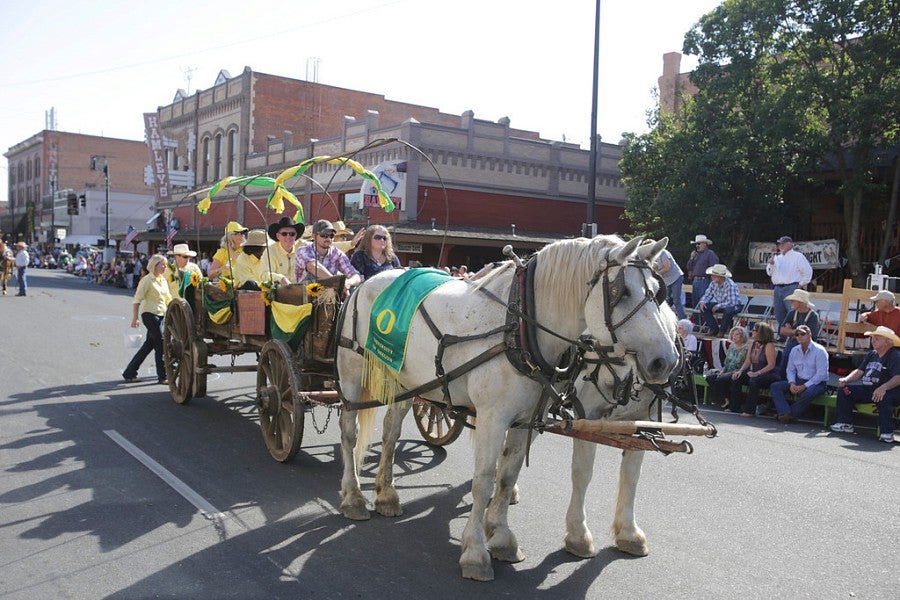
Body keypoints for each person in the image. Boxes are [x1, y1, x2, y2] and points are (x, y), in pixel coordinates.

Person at [830, 326, 900, 443]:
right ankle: (845, 423)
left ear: (888, 341)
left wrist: (883, 387)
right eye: (873, 338)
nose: (873, 341)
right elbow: (859, 371)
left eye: (877, 338)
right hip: (869, 389)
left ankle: (887, 432)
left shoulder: (895, 356)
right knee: (845, 390)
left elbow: (898, 377)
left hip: (890, 390)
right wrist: (846, 379)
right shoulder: (872, 354)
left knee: (883, 397)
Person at [122, 254, 173, 384]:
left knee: (148, 346)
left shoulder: (163, 280)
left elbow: (168, 299)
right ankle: (162, 376)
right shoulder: (146, 280)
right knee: (161, 344)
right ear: (154, 266)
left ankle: (129, 372)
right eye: (163, 264)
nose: (165, 267)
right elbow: (137, 300)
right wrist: (135, 318)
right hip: (150, 315)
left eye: (166, 264)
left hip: (162, 315)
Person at [769, 325, 830, 423]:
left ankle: (789, 414)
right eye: (797, 334)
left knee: (809, 392)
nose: (799, 336)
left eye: (802, 334)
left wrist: (804, 386)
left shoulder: (820, 351)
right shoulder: (794, 350)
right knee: (775, 386)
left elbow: (821, 374)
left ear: (810, 335)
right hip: (798, 380)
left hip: (817, 383)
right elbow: (790, 370)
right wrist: (792, 383)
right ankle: (785, 413)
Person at [766, 235, 813, 338]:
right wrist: (772, 264)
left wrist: (799, 286)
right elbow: (769, 273)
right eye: (780, 244)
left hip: (791, 287)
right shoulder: (777, 258)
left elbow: (808, 272)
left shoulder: (798, 256)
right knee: (779, 313)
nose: (780, 245)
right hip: (778, 288)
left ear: (790, 244)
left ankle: (794, 336)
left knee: (792, 312)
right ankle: (783, 336)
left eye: (783, 243)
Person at [296, 219, 361, 291]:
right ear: (314, 236)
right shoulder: (304, 250)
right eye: (324, 235)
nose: (328, 238)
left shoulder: (337, 253)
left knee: (354, 289)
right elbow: (312, 267)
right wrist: (336, 283)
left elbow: (355, 275)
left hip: (330, 295)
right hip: (304, 296)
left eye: (331, 235)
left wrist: (348, 283)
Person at [731, 322, 780, 417]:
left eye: (754, 330)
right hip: (756, 373)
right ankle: (734, 406)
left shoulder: (769, 345)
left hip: (769, 374)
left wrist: (757, 373)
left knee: (754, 381)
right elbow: (747, 361)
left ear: (760, 332)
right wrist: (740, 371)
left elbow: (771, 365)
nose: (752, 332)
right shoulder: (752, 344)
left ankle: (749, 410)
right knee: (737, 377)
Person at [777, 288, 821, 376]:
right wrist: (796, 331)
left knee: (791, 358)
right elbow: (781, 331)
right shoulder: (792, 313)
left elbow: (809, 335)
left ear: (800, 302)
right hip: (794, 342)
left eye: (793, 300)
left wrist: (790, 331)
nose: (791, 302)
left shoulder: (813, 316)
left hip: (807, 345)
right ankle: (782, 380)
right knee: (785, 357)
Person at [708, 326, 750, 411]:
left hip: (739, 371)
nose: (734, 336)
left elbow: (746, 363)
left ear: (742, 336)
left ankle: (731, 405)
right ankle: (725, 399)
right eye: (733, 334)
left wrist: (737, 371)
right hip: (728, 370)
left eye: (737, 334)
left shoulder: (747, 348)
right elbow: (727, 362)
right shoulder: (731, 346)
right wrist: (722, 371)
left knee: (723, 379)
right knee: (710, 378)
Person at [696, 264, 743, 336]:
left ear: (721, 276)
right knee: (704, 307)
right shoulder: (713, 283)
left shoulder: (730, 285)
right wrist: (703, 301)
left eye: (714, 275)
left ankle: (722, 331)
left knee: (728, 310)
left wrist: (718, 306)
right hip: (721, 304)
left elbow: (732, 302)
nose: (712, 277)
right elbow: (707, 295)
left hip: (734, 305)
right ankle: (714, 329)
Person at [259, 217, 305, 285]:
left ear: (296, 235)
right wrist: (281, 278)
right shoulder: (270, 251)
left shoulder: (303, 247)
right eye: (284, 234)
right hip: (279, 291)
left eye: (292, 234)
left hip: (302, 289)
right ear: (278, 236)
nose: (288, 237)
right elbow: (264, 274)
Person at [685, 234, 719, 308]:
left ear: (705, 244)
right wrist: (691, 258)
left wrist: (712, 282)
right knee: (695, 303)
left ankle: (704, 319)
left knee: (703, 303)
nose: (697, 245)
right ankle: (697, 319)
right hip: (695, 281)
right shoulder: (695, 255)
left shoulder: (710, 254)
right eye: (696, 244)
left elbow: (714, 268)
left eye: (699, 243)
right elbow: (688, 267)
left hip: (705, 281)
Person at [653, 246, 686, 319]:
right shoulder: (652, 256)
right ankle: (665, 319)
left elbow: (667, 268)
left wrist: (655, 274)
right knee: (665, 301)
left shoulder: (663, 253)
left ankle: (683, 321)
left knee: (676, 300)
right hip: (667, 280)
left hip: (676, 277)